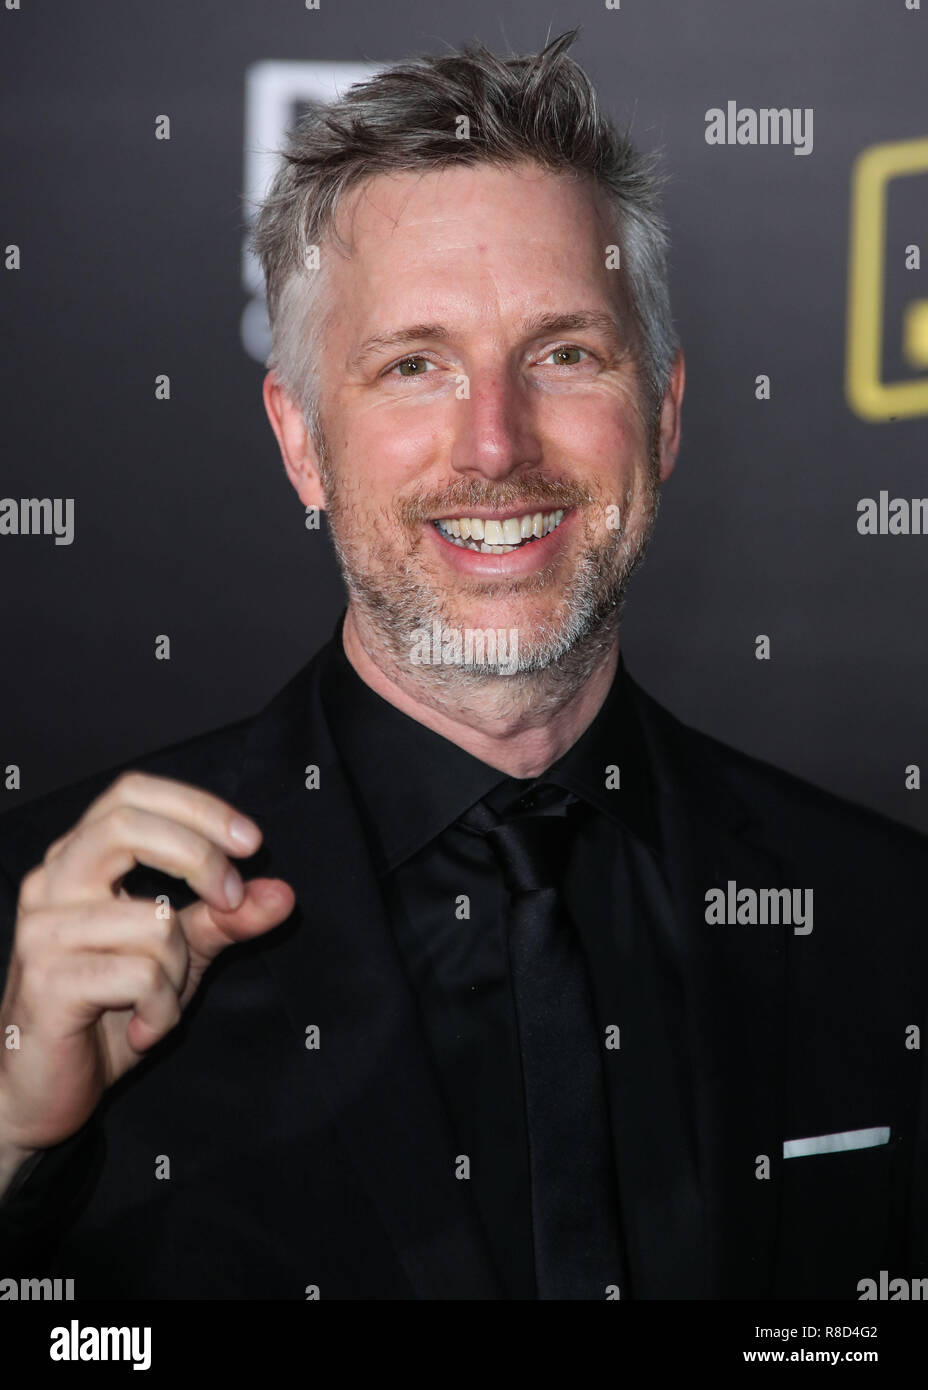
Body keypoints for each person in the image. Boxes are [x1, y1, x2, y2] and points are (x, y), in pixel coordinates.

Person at [0, 30, 925, 1301]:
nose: (494, 445)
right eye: (412, 366)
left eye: (564, 354)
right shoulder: (43, 929)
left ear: (661, 416)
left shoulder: (885, 917)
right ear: (301, 442)